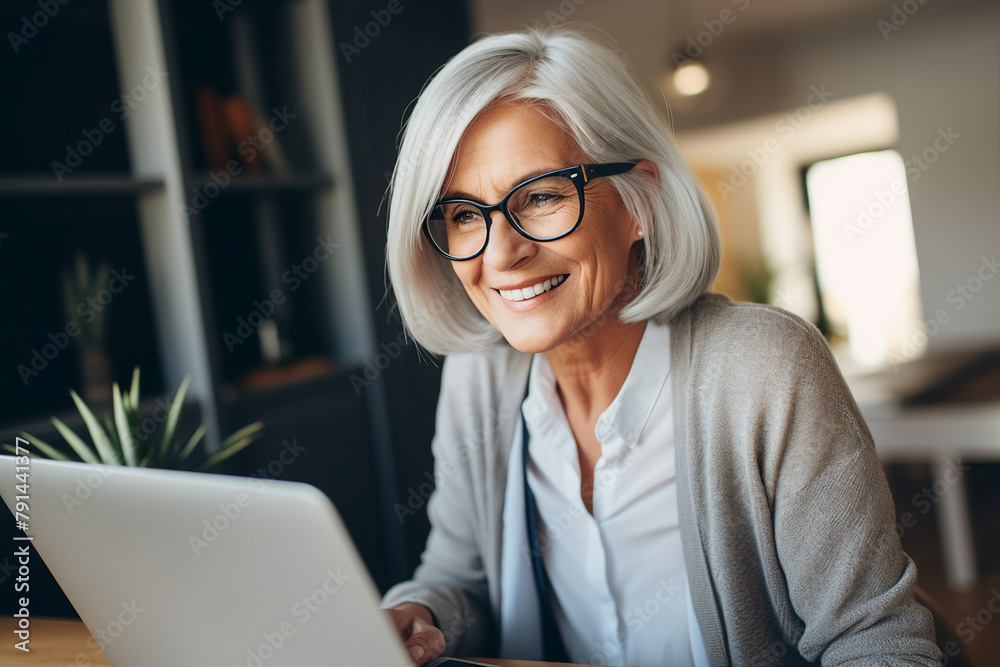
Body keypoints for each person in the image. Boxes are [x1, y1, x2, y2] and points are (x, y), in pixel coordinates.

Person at [379, 27, 941, 667]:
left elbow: (879, 646)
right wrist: (422, 615)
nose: (502, 254)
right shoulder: (476, 379)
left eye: (540, 197)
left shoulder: (763, 369)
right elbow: (460, 577)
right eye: (464, 213)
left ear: (639, 202)